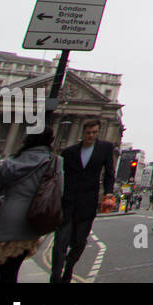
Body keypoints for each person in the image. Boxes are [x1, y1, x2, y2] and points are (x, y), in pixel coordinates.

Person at [0, 129, 61, 283]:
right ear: (49, 141)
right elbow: (58, 193)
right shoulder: (55, 162)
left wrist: (2, 210)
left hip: (4, 219)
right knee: (10, 273)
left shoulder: (10, 161)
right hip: (30, 223)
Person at [50, 118, 115, 284]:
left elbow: (109, 173)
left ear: (97, 132)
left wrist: (108, 193)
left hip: (88, 202)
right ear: (83, 133)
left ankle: (69, 266)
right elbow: (59, 176)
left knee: (79, 242)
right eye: (88, 133)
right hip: (67, 202)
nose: (91, 136)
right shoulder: (69, 152)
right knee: (60, 242)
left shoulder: (105, 149)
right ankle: (55, 277)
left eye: (94, 133)